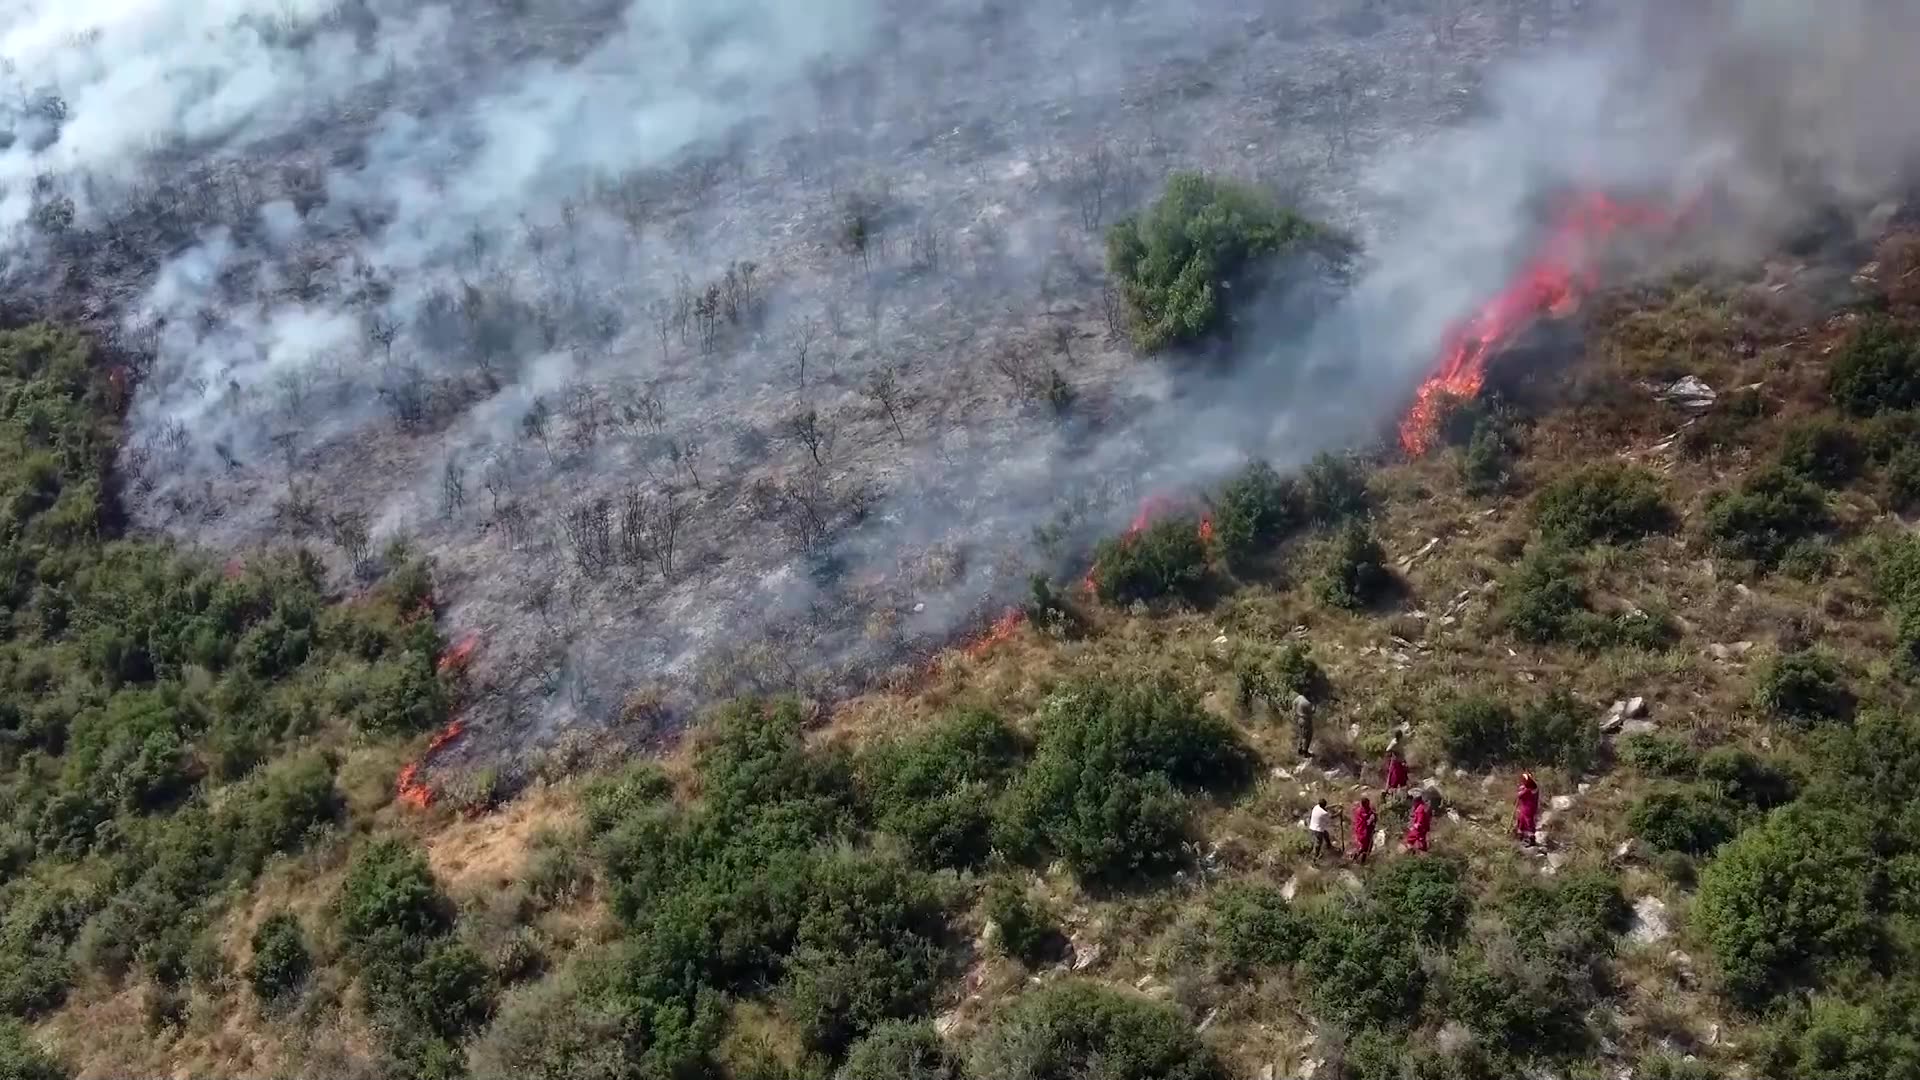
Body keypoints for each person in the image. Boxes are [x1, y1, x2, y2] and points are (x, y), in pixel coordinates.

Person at [1514, 772, 1540, 846]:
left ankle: (1530, 839)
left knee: (1526, 823)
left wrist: (1521, 790)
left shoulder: (1527, 791)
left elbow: (1520, 795)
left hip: (1526, 809)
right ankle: (1525, 837)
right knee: (1527, 822)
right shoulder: (1534, 788)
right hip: (1532, 808)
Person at [1350, 795, 1377, 865]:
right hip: (1363, 832)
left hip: (1359, 831)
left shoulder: (1359, 810)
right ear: (1365, 804)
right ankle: (1360, 860)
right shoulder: (1363, 812)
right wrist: (1372, 818)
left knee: (1364, 847)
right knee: (1365, 847)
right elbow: (1368, 821)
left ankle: (1357, 858)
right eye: (1368, 803)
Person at [1292, 692, 1314, 759]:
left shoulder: (1299, 697)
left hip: (1299, 719)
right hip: (1306, 720)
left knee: (1301, 734)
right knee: (1307, 736)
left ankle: (1300, 749)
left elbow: (1294, 703)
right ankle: (1305, 752)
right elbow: (1311, 713)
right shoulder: (1307, 703)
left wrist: (1295, 711)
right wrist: (1314, 708)